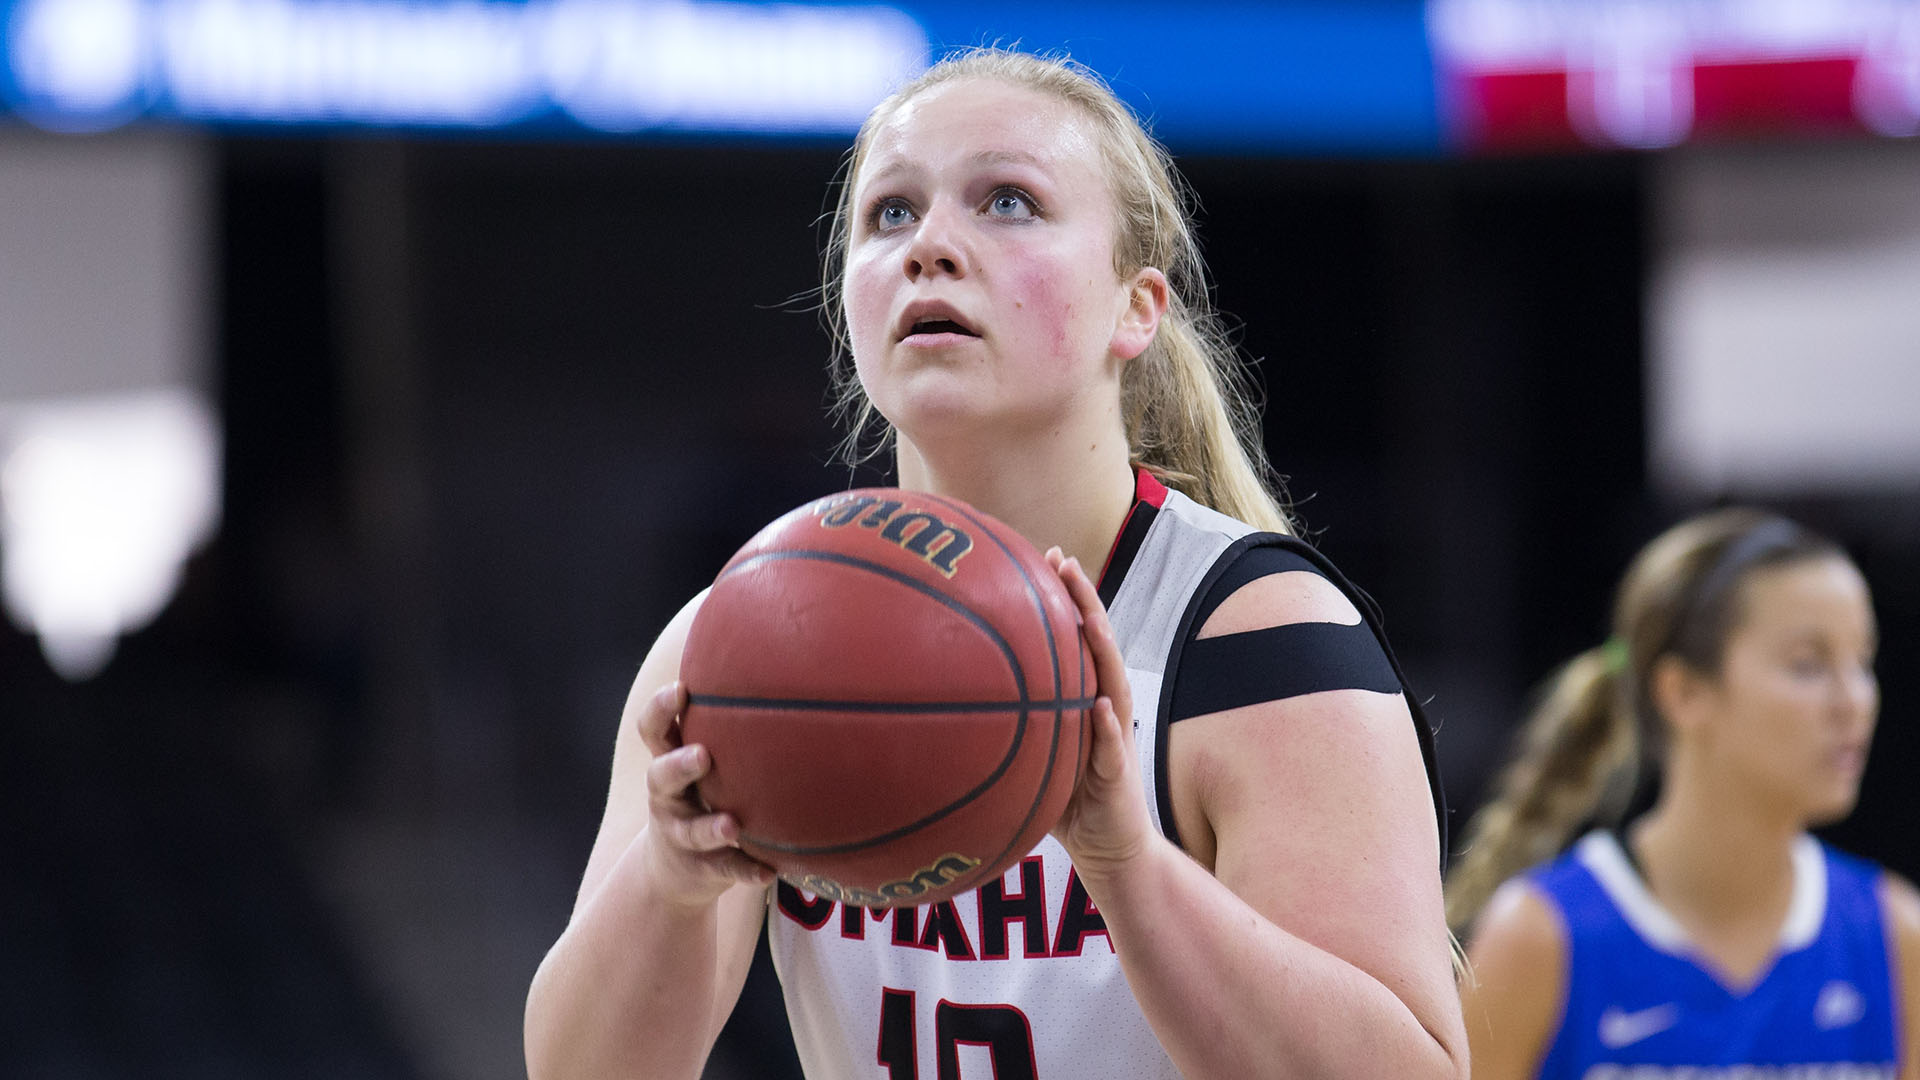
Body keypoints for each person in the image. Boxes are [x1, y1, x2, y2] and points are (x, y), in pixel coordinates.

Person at [524, 47, 1466, 1079]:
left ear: (1135, 306)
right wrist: (669, 877)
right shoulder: (741, 639)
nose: (929, 245)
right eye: (890, 214)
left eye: (1007, 201)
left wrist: (1124, 865)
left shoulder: (1256, 633)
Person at [1447, 508, 1920, 1080]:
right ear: (1684, 691)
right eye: (1808, 664)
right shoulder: (1541, 938)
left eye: (1862, 662)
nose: (1854, 702)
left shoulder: (1894, 936)